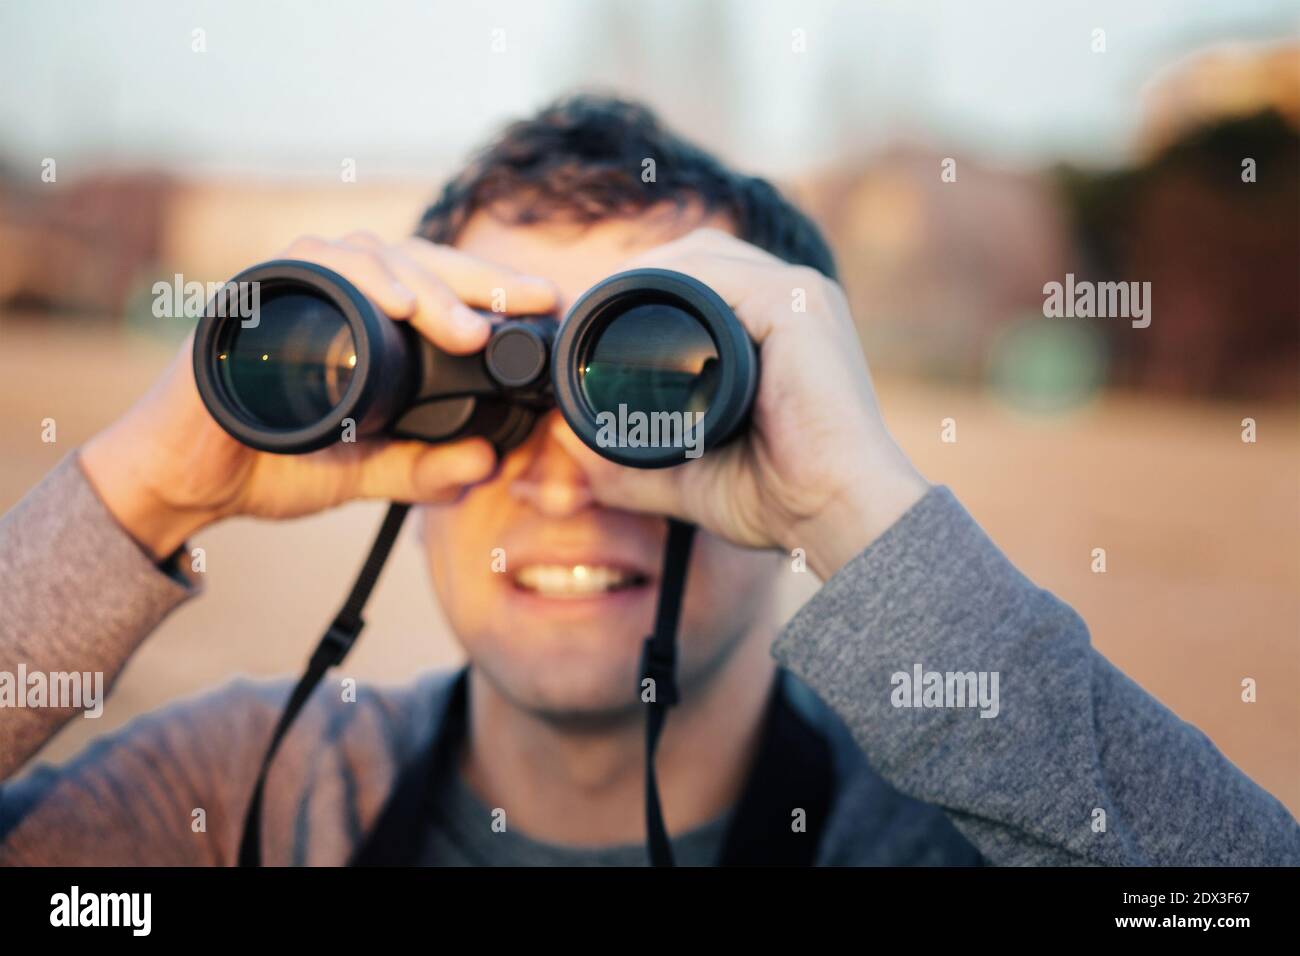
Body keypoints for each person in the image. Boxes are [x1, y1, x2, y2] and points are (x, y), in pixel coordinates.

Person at [0, 95, 1295, 866]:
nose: (567, 476)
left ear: (783, 408)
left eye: (647, 384)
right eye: (495, 396)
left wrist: (872, 519)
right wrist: (143, 490)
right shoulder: (245, 803)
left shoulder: (948, 835)